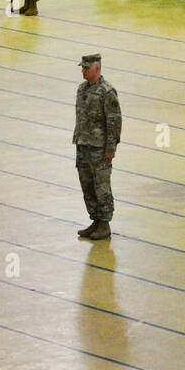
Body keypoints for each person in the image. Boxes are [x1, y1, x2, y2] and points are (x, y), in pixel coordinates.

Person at [73, 53, 122, 240]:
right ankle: (95, 220)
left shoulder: (107, 92)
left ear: (97, 68)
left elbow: (114, 122)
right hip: (83, 145)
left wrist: (111, 148)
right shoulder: (82, 89)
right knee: (87, 184)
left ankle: (105, 223)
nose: (83, 71)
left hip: (99, 148)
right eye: (82, 68)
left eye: (86, 68)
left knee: (101, 186)